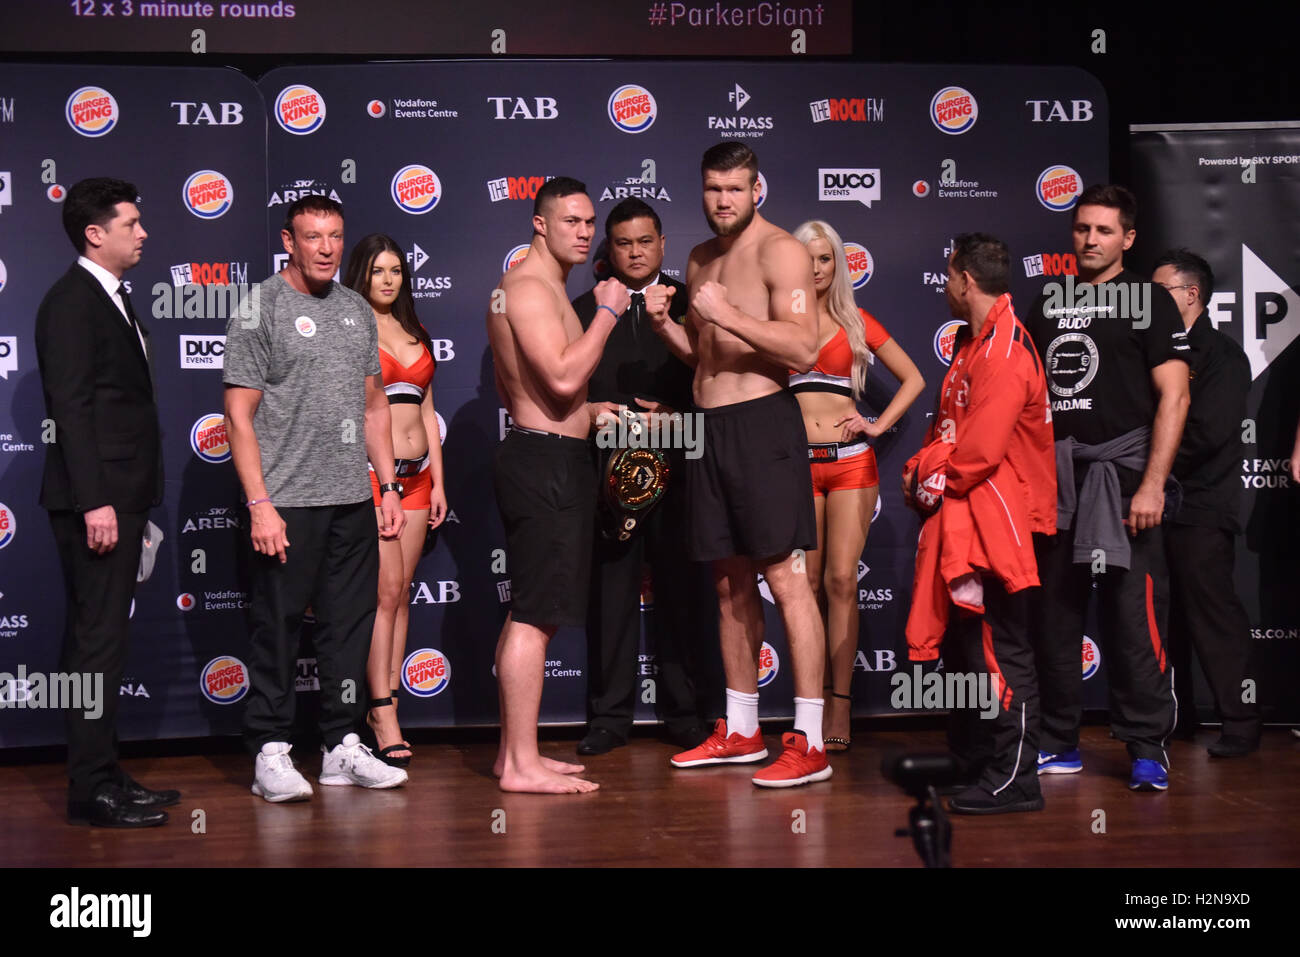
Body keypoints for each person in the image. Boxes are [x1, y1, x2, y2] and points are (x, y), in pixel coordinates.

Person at [646, 143, 830, 788]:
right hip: (708, 428)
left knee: (786, 581)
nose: (723, 200)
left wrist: (728, 312)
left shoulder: (783, 251)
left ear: (758, 189)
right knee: (728, 586)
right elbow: (709, 356)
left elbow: (804, 348)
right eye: (712, 189)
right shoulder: (699, 258)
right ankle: (744, 728)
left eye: (734, 188)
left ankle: (809, 739)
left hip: (762, 427)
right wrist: (673, 326)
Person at [224, 196, 409, 802]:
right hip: (286, 503)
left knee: (347, 630)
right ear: (289, 241)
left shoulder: (356, 309)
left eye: (334, 236)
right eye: (313, 237)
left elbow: (376, 407)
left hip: (351, 499)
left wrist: (385, 485)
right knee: (276, 630)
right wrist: (260, 503)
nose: (327, 248)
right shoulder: (261, 307)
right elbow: (238, 414)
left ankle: (340, 746)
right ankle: (271, 752)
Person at [1024, 184, 1191, 792]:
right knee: (1055, 620)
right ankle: (1058, 742)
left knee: (1135, 619)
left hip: (1124, 483)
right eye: (1081, 229)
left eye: (1102, 231)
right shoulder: (1046, 300)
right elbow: (1026, 397)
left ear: (1128, 239)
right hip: (1059, 483)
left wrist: (1151, 485)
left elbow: (1175, 395)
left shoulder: (1148, 300)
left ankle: (1147, 746)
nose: (1089, 240)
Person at [35, 177, 178, 827]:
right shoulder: (71, 302)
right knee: (95, 644)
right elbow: (70, 407)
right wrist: (94, 501)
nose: (143, 232)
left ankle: (105, 771)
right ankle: (90, 787)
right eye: (132, 223)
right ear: (96, 233)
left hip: (122, 495)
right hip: (98, 500)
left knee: (102, 642)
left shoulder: (112, 298)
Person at [902, 233, 1056, 813]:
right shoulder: (972, 345)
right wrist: (926, 466)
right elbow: (945, 435)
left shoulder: (1005, 350)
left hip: (1000, 528)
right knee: (967, 654)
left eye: (948, 276)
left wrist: (927, 473)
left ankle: (1016, 779)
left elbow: (976, 454)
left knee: (999, 654)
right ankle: (973, 761)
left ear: (965, 278)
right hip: (965, 523)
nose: (944, 286)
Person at [486, 176, 630, 793]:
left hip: (547, 451)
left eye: (589, 222)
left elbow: (526, 389)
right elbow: (565, 378)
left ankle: (515, 755)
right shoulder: (529, 288)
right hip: (544, 465)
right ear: (539, 224)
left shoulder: (536, 289)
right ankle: (520, 765)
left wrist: (588, 415)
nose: (584, 232)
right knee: (534, 617)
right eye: (570, 220)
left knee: (531, 612)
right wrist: (606, 313)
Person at [572, 198, 719, 756]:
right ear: (609, 249)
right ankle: (609, 719)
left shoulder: (694, 305)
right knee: (608, 599)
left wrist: (679, 419)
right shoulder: (585, 307)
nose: (635, 252)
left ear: (662, 244)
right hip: (607, 476)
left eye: (645, 241)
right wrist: (597, 413)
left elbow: (717, 382)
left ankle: (687, 714)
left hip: (681, 469)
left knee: (684, 595)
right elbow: (569, 391)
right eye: (623, 243)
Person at [790, 219, 924, 751]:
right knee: (807, 586)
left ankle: (840, 707)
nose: (818, 269)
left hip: (850, 463)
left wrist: (877, 423)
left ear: (837, 264)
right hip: (797, 465)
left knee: (843, 582)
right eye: (809, 259)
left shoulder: (856, 320)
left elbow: (914, 378)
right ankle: (810, 705)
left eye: (826, 259)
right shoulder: (780, 320)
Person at [343, 234, 449, 767]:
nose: (389, 280)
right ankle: (380, 713)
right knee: (384, 594)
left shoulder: (416, 330)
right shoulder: (350, 328)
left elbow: (428, 413)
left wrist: (440, 484)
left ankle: (390, 699)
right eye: (379, 270)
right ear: (361, 274)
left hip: (419, 479)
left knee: (403, 594)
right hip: (372, 479)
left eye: (397, 271)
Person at [1152, 248, 1261, 756]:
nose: (1147, 301)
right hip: (1157, 503)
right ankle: (1180, 717)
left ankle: (1240, 723)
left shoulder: (1221, 354)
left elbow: (1209, 432)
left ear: (1190, 295)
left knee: (1212, 615)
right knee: (1164, 616)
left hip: (1201, 504)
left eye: (1159, 292)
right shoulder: (1157, 350)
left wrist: (1152, 465)